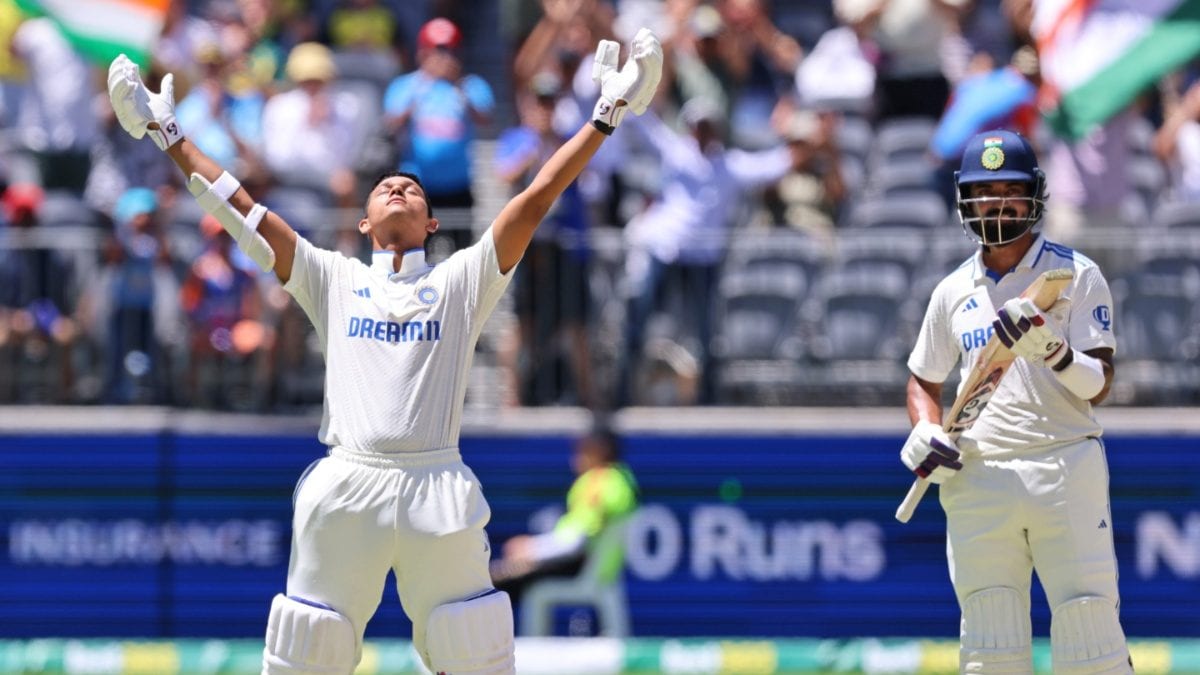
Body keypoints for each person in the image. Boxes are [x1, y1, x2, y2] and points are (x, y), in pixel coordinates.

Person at [107, 22, 661, 674]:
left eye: (414, 190)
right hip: (348, 480)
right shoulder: (333, 276)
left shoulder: (460, 281)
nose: (399, 187)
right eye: (385, 187)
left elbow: (535, 199)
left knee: (475, 651)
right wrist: (169, 136)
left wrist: (606, 114)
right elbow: (246, 214)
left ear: (432, 224)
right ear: (365, 223)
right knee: (306, 647)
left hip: (437, 483)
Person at [900, 129, 1132, 674]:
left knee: (1089, 637)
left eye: (1010, 189)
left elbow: (1099, 382)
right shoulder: (952, 291)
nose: (997, 201)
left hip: (1062, 464)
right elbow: (922, 382)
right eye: (984, 191)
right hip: (976, 476)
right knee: (990, 646)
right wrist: (925, 430)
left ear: (1034, 196)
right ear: (966, 200)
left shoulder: (1074, 275)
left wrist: (1052, 351)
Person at [489, 426, 639, 611]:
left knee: (489, 585)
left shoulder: (598, 484)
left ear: (599, 451)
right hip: (595, 569)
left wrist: (531, 549)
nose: (574, 459)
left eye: (580, 451)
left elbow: (574, 542)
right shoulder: (623, 480)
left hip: (580, 566)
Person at [383, 18, 495, 257]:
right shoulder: (406, 86)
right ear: (423, 52)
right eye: (438, 51)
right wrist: (424, 85)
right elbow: (392, 123)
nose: (445, 57)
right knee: (415, 256)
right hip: (417, 188)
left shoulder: (470, 85)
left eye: (450, 50)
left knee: (461, 259)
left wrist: (457, 86)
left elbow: (486, 120)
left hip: (458, 188)